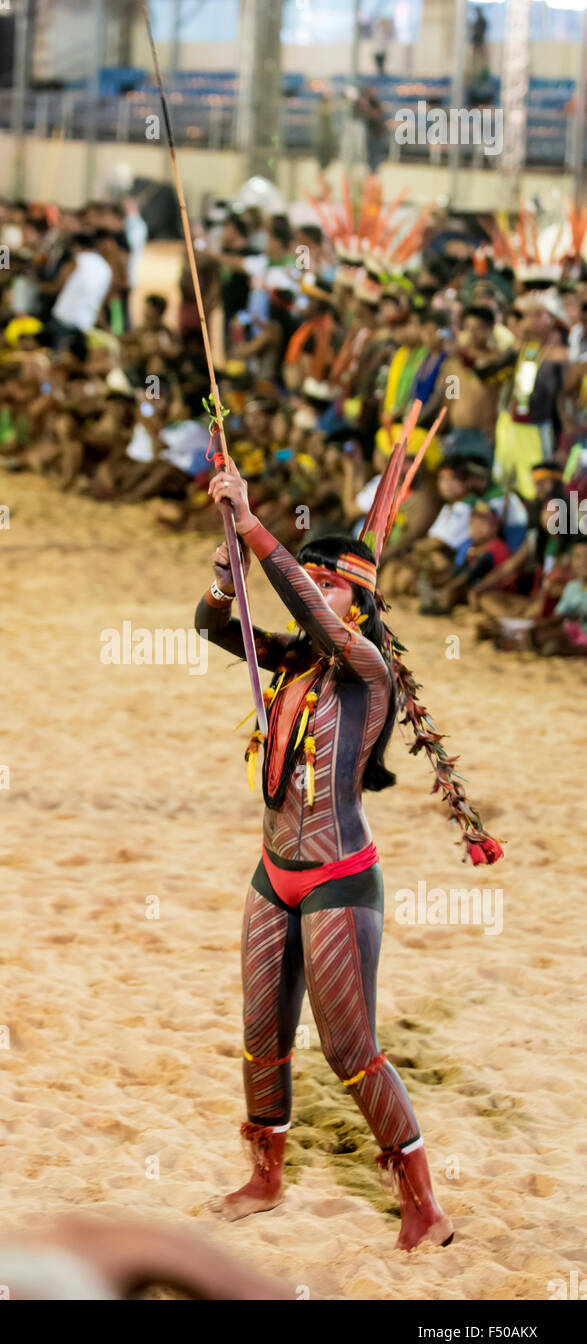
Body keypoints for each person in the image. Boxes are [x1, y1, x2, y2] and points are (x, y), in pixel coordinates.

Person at [194, 440, 501, 1247]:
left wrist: (257, 526)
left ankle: (422, 1205)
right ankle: (265, 1175)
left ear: (355, 602)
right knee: (262, 1034)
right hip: (273, 876)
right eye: (314, 581)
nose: (315, 597)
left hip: (338, 879)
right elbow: (210, 622)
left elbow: (303, 605)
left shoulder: (367, 671)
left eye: (328, 586)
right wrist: (231, 549)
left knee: (348, 1050)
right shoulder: (292, 664)